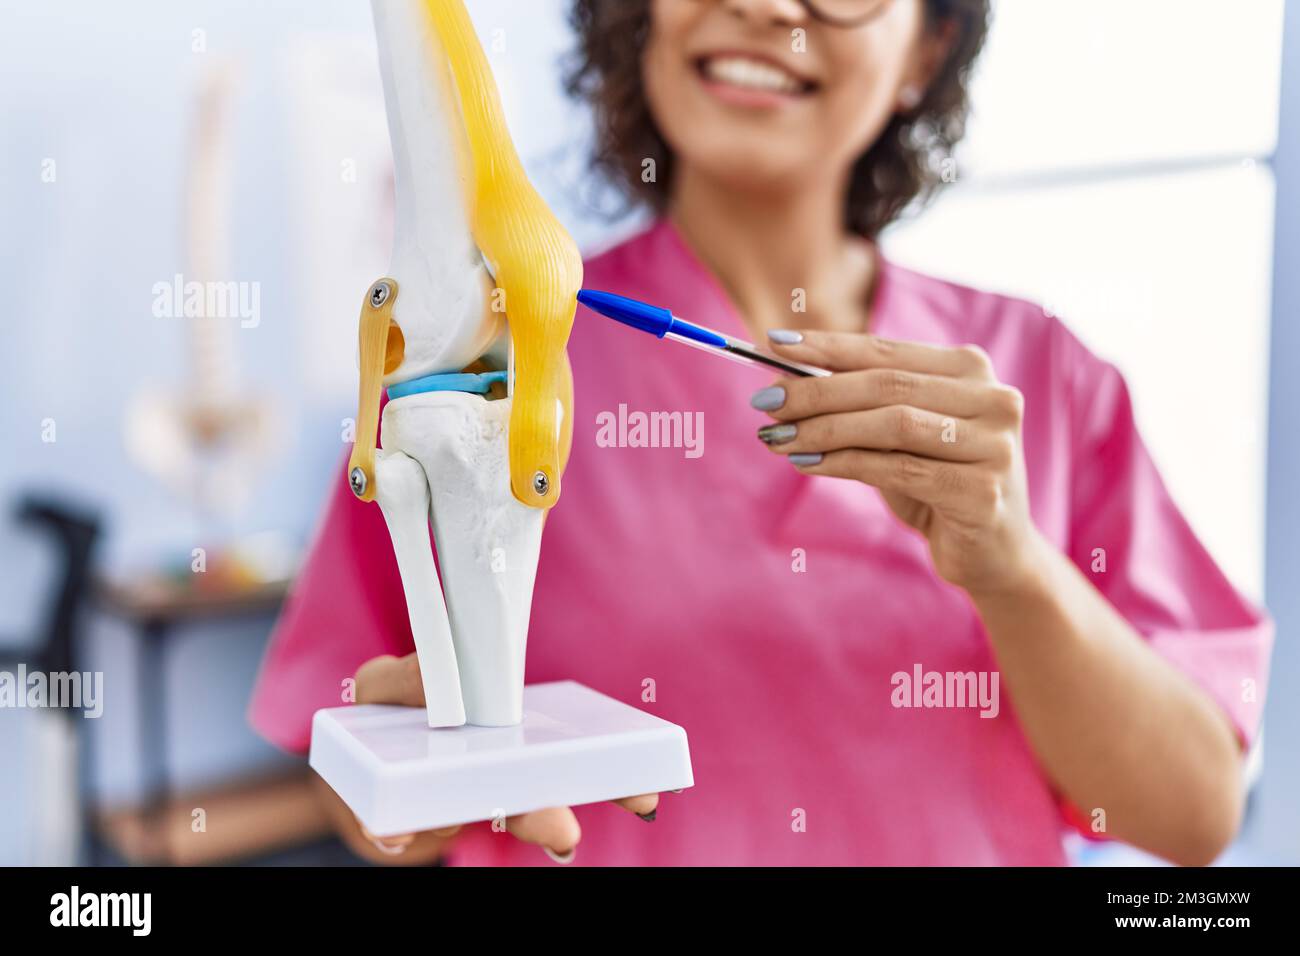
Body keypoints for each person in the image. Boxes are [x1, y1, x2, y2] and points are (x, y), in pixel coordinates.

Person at [250, 0, 1271, 866]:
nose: (771, 5)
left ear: (925, 47)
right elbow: (347, 759)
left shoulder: (1041, 378)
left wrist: (1015, 570)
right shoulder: (472, 366)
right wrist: (409, 769)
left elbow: (1191, 814)